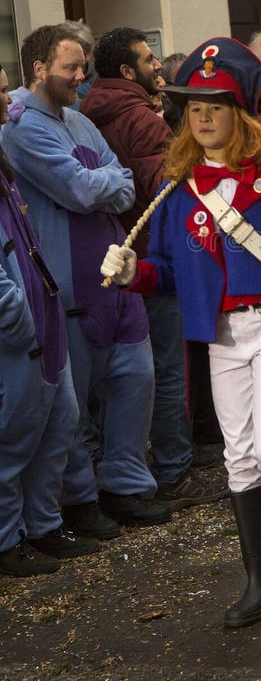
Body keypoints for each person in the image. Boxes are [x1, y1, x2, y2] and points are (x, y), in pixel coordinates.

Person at [100, 37, 261, 628]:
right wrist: (136, 273)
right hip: (218, 335)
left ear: (240, 112)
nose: (204, 117)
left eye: (215, 105)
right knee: (239, 457)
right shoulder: (176, 188)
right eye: (193, 107)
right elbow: (164, 272)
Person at [2, 25, 170, 534]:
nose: (81, 77)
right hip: (69, 287)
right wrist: (104, 184)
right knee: (69, 410)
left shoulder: (79, 120)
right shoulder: (21, 127)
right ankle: (79, 500)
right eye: (71, 68)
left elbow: (123, 185)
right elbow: (79, 188)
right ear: (39, 68)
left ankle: (126, 486)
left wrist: (104, 184)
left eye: (83, 66)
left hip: (116, 280)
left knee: (134, 383)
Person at [80, 28, 223, 512]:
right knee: (168, 369)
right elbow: (169, 185)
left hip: (116, 256)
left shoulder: (88, 113)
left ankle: (161, 461)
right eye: (148, 59)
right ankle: (174, 470)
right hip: (152, 258)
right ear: (127, 71)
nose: (158, 65)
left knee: (131, 375)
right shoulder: (142, 118)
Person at [0, 66, 99, 575]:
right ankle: (7, 539)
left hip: (41, 321)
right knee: (13, 441)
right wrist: (17, 319)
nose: (9, 101)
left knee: (56, 425)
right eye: (0, 91)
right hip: (19, 333)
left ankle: (41, 526)